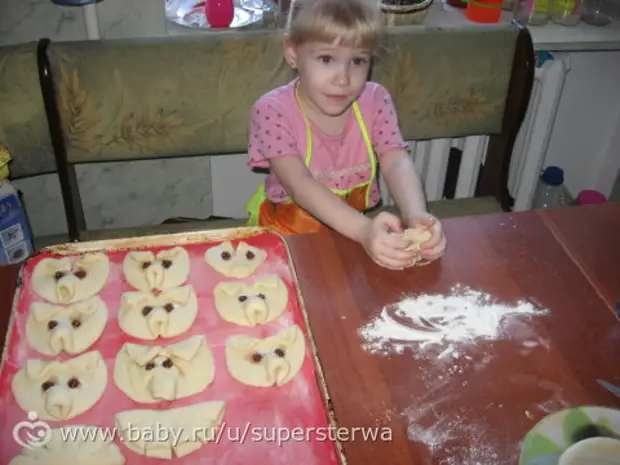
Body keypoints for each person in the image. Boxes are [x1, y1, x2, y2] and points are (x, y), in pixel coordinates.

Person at [245, 0, 446, 270]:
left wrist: (415, 214)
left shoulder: (375, 100)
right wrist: (364, 230)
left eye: (358, 60)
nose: (343, 78)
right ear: (292, 53)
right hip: (289, 239)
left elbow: (395, 161)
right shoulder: (272, 110)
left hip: (348, 237)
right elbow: (299, 184)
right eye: (326, 59)